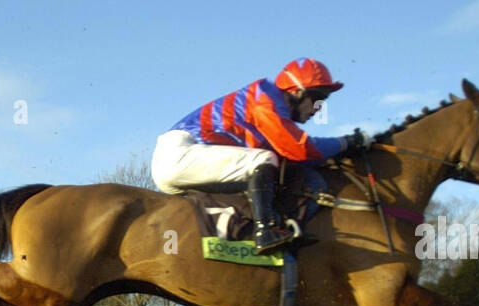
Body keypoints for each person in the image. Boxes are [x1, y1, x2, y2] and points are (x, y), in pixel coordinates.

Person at [151, 58, 371, 253]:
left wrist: (343, 150)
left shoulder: (273, 108)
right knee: (264, 160)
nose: (318, 109)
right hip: (179, 155)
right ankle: (265, 230)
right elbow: (299, 148)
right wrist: (346, 142)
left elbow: (300, 157)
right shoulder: (265, 100)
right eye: (317, 99)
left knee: (271, 167)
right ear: (297, 91)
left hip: (189, 158)